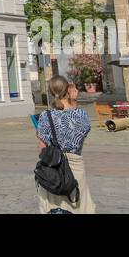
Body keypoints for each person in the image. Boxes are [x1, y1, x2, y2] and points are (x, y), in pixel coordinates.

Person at [35, 75, 95, 214]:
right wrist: (74, 101)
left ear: (51, 91)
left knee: (53, 207)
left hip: (53, 169)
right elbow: (84, 131)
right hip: (76, 166)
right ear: (68, 89)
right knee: (79, 206)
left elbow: (42, 147)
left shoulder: (46, 116)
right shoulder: (81, 114)